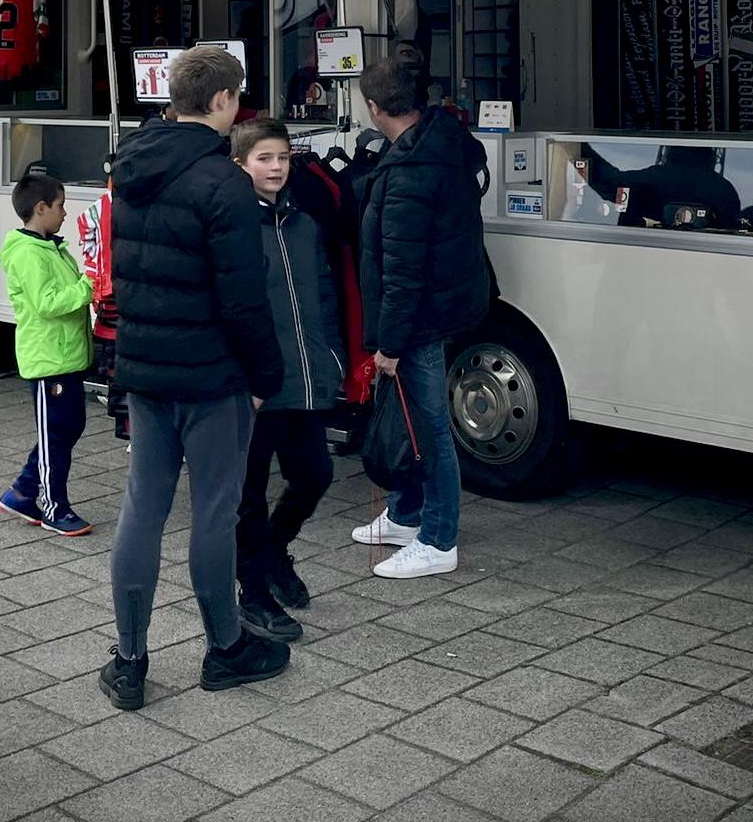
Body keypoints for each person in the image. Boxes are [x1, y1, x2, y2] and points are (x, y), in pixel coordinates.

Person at [99, 46, 288, 711]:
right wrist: (267, 373)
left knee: (142, 508)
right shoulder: (223, 184)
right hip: (212, 377)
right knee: (213, 510)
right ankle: (226, 647)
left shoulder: (130, 168)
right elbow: (244, 299)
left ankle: (128, 660)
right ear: (221, 102)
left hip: (146, 369)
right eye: (236, 95)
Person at [351, 57, 490, 579]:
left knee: (429, 426)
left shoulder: (409, 171)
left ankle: (438, 538)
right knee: (412, 417)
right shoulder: (441, 141)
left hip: (421, 317)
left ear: (373, 107)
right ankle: (408, 514)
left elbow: (403, 271)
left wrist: (388, 345)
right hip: (449, 302)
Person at [230, 117, 344, 642]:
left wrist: (332, 359)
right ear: (241, 165)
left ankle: (276, 551)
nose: (276, 168)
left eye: (282, 158)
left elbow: (323, 294)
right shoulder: (232, 225)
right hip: (256, 388)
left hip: (303, 378)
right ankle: (251, 592)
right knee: (248, 494)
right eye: (264, 159)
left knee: (315, 474)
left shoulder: (302, 222)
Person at [0, 173, 95, 538]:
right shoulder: (27, 252)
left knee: (67, 429)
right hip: (48, 359)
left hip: (65, 356)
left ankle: (22, 492)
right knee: (57, 435)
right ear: (40, 208)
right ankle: (53, 507)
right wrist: (91, 285)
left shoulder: (50, 246)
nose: (65, 213)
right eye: (60, 206)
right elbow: (48, 303)